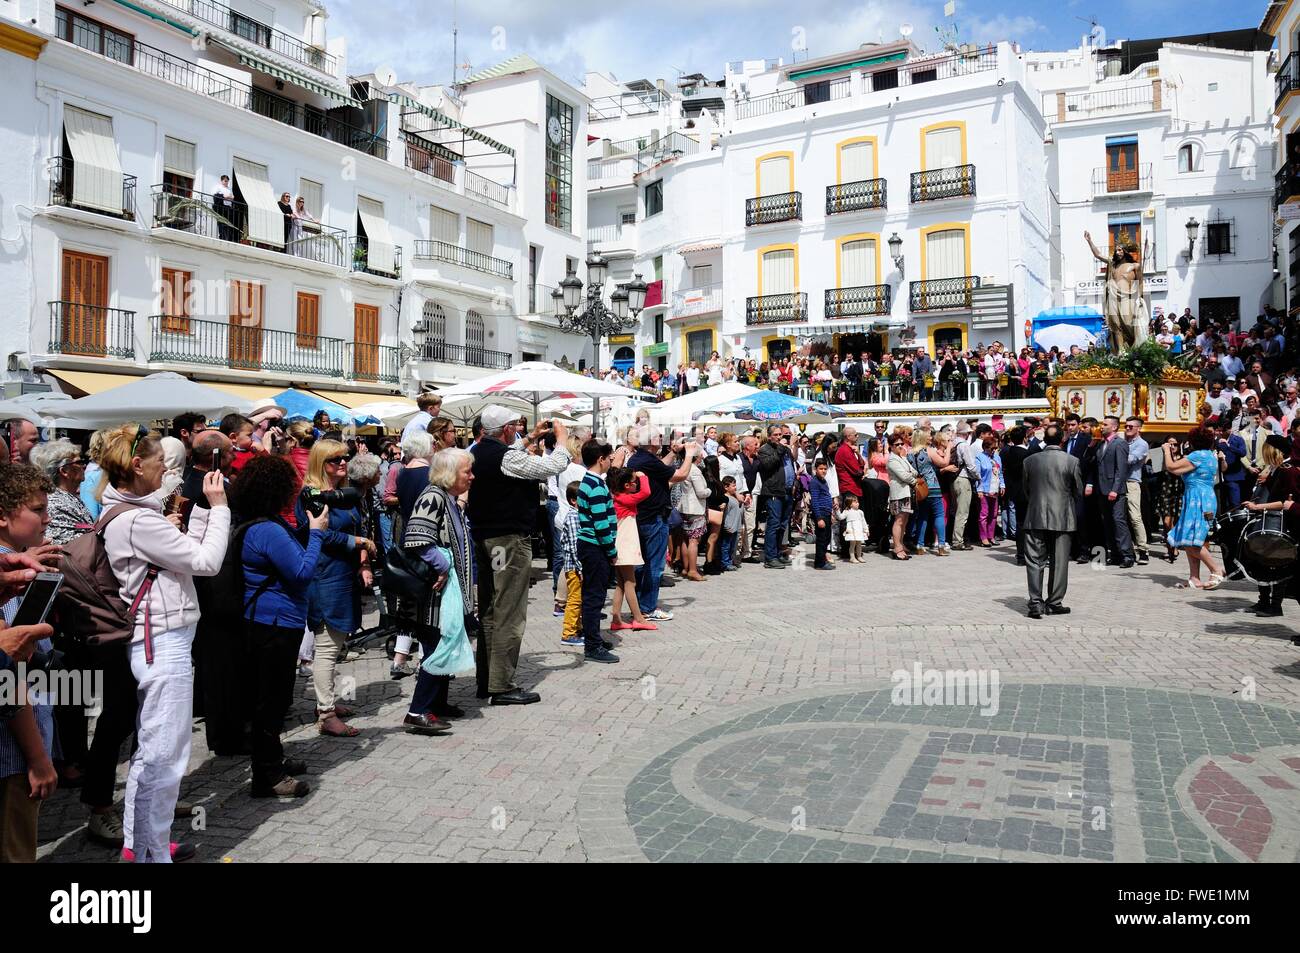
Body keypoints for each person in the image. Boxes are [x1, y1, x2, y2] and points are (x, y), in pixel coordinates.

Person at [100, 423, 230, 862]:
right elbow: (207, 562)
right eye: (160, 464)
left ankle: (144, 845)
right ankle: (148, 852)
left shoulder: (133, 512)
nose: (166, 473)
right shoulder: (136, 519)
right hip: (163, 642)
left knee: (156, 751)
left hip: (160, 638)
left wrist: (197, 516)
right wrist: (220, 507)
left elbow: (184, 559)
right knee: (162, 757)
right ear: (137, 465)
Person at [234, 455, 327, 799]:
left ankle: (273, 760)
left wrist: (305, 529)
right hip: (273, 626)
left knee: (272, 699)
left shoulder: (260, 522)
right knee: (270, 702)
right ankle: (267, 776)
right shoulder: (268, 529)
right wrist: (316, 535)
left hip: (265, 622)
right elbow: (301, 573)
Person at [467, 407, 574, 703]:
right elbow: (550, 466)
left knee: (490, 609)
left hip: (486, 538)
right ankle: (501, 685)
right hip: (508, 541)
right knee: (509, 611)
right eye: (514, 425)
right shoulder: (505, 457)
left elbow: (509, 453)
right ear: (504, 430)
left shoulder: (479, 451)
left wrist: (530, 436)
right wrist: (562, 441)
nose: (517, 429)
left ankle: (487, 680)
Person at [0, 466, 58, 862]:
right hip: (11, 752)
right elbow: (9, 678)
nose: (48, 518)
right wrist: (37, 758)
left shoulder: (13, 565)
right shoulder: (11, 578)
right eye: (38, 510)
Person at [400, 448, 479, 734]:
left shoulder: (448, 497)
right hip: (434, 591)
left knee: (446, 639)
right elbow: (418, 538)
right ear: (449, 474)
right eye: (466, 472)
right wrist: (443, 566)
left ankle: (437, 703)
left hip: (446, 590)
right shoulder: (433, 496)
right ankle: (417, 711)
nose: (471, 476)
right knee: (437, 644)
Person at [302, 439, 374, 738]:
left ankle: (327, 702)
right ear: (321, 463)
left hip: (342, 574)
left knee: (337, 642)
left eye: (345, 457)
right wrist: (359, 543)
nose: (342, 463)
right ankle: (326, 713)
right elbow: (323, 534)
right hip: (325, 575)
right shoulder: (312, 494)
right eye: (334, 460)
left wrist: (362, 559)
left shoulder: (341, 494)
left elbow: (354, 524)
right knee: (328, 646)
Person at [628, 426, 697, 619]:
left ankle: (641, 605)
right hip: (653, 518)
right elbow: (680, 475)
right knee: (654, 565)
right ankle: (648, 608)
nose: (662, 439)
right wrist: (689, 454)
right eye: (659, 436)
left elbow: (661, 468)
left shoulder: (640, 458)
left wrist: (674, 452)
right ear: (651, 441)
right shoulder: (646, 461)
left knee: (643, 564)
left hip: (643, 516)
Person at [1021, 425, 1083, 619]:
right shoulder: (1072, 461)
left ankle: (1035, 603)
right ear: (1061, 440)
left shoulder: (1029, 460)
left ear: (1045, 441)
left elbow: (1026, 490)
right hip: (1063, 516)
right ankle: (1054, 602)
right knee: (1059, 561)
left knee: (1034, 562)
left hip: (1035, 514)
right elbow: (1078, 490)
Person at [1164, 427, 1227, 590]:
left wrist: (1166, 451)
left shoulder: (1197, 455)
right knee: (1191, 536)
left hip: (1197, 498)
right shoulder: (1210, 455)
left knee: (1192, 540)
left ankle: (1216, 569)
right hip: (1202, 496)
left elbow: (1172, 468)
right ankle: (1194, 577)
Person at [575, 442, 620, 664]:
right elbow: (601, 524)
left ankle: (594, 638)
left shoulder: (593, 482)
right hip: (595, 547)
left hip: (594, 546)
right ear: (600, 459)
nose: (611, 460)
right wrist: (611, 550)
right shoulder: (594, 485)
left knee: (596, 596)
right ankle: (592, 645)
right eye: (609, 457)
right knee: (594, 598)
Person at [607, 466, 656, 630]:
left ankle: (616, 619)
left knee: (621, 583)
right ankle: (638, 619)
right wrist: (643, 476)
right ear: (627, 485)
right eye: (634, 482)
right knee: (630, 582)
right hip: (624, 544)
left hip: (621, 543)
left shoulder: (619, 496)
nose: (637, 484)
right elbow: (646, 492)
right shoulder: (625, 498)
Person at [1086, 230, 1147, 352]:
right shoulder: (1112, 263)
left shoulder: (1135, 266)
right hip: (1113, 297)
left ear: (1125, 251)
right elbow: (1098, 255)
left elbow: (1139, 283)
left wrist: (1140, 298)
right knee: (1116, 325)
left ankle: (1135, 348)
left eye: (1120, 250)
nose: (1117, 252)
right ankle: (1120, 352)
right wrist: (1090, 241)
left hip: (1127, 298)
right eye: (1116, 250)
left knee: (1129, 324)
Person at [31, 439, 92, 546]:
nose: (84, 466)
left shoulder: (67, 497)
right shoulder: (55, 504)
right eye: (79, 462)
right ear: (64, 471)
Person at [1096, 416, 1135, 568]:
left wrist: (1115, 489)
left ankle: (1127, 555)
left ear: (1114, 427)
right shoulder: (1101, 444)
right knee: (1108, 523)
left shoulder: (1120, 444)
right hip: (1102, 489)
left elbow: (1121, 469)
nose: (1101, 426)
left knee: (1119, 522)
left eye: (1105, 424)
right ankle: (1115, 554)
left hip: (1115, 491)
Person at [758, 425, 795, 569]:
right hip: (773, 491)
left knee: (782, 524)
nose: (779, 437)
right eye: (776, 434)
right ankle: (770, 557)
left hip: (787, 491)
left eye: (781, 435)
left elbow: (791, 464)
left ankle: (778, 553)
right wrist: (780, 449)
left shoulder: (784, 449)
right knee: (773, 524)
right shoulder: (764, 450)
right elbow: (768, 465)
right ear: (769, 436)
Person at [557, 482, 584, 646]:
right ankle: (568, 633)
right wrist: (580, 568)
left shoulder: (577, 515)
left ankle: (577, 628)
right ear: (574, 500)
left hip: (576, 566)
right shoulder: (573, 517)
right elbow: (575, 546)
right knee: (574, 600)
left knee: (579, 599)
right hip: (574, 567)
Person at [886, 434, 918, 560]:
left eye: (901, 444)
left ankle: (901, 544)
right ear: (891, 446)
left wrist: (910, 474)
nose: (900, 446)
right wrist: (912, 478)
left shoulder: (902, 458)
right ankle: (897, 547)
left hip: (907, 493)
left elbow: (914, 471)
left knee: (904, 520)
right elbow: (904, 476)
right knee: (898, 520)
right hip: (899, 493)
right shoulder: (892, 459)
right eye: (896, 444)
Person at [809, 459, 834, 570]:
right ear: (815, 469)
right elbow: (814, 500)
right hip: (821, 514)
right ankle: (819, 563)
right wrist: (819, 518)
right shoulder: (814, 482)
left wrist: (831, 513)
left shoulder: (824, 481)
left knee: (827, 538)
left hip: (827, 513)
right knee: (821, 539)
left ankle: (822, 559)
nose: (823, 471)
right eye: (821, 469)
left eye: (825, 469)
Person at [838, 494, 868, 562]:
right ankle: (852, 557)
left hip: (859, 530)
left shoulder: (860, 512)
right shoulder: (847, 511)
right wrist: (837, 511)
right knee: (852, 544)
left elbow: (863, 521)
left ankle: (859, 556)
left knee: (859, 544)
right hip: (852, 530)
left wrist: (866, 529)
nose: (858, 503)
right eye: (855, 502)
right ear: (850, 504)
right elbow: (840, 517)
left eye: (857, 502)